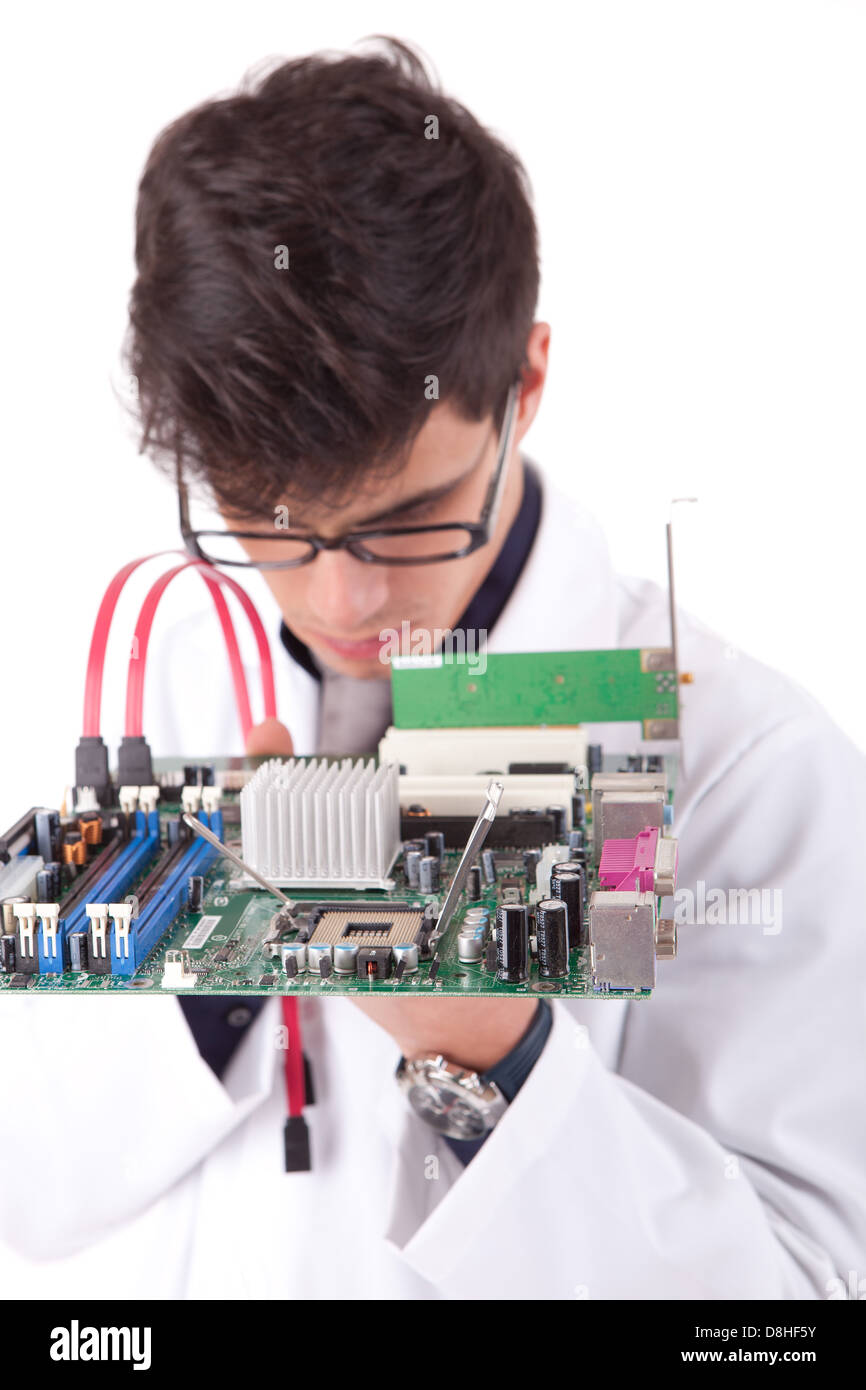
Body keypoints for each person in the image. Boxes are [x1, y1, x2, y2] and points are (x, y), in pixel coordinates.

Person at [1, 38, 863, 1301]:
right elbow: (28, 1174)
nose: (342, 597)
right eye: (269, 516)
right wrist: (227, 950)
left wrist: (489, 1052)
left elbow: (789, 1308)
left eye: (408, 514)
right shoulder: (154, 692)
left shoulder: (744, 766)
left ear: (524, 383)